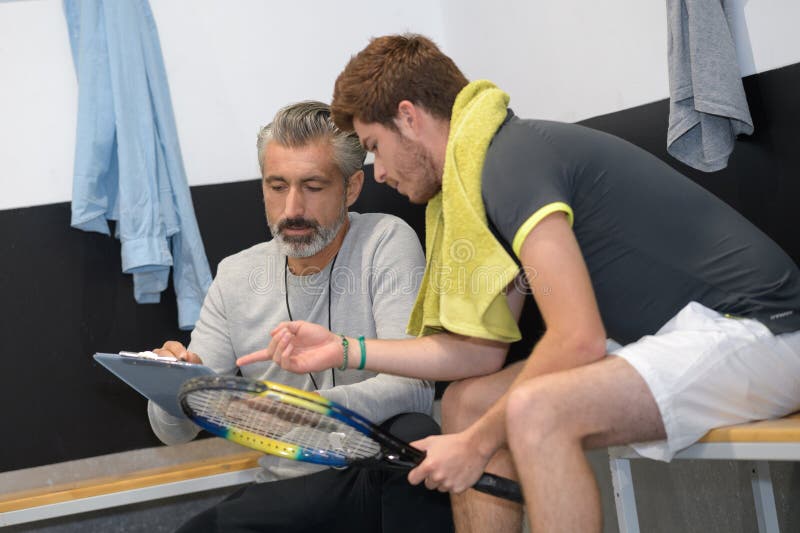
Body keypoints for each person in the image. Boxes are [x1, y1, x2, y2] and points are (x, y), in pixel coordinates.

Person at [238, 35, 800, 533]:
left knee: (536, 411)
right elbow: (478, 356)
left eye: (374, 146)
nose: (378, 172)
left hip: (763, 331)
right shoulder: (475, 181)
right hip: (679, 338)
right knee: (467, 402)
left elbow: (576, 339)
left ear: (409, 117)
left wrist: (475, 446)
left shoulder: (510, 162)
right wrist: (344, 348)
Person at [148, 100, 454, 533]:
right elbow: (175, 432)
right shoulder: (236, 275)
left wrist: (299, 411)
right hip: (285, 492)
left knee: (415, 434)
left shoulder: (385, 242)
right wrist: (171, 387)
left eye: (312, 186)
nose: (292, 208)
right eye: (277, 186)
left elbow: (414, 388)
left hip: (369, 475)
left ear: (351, 188)